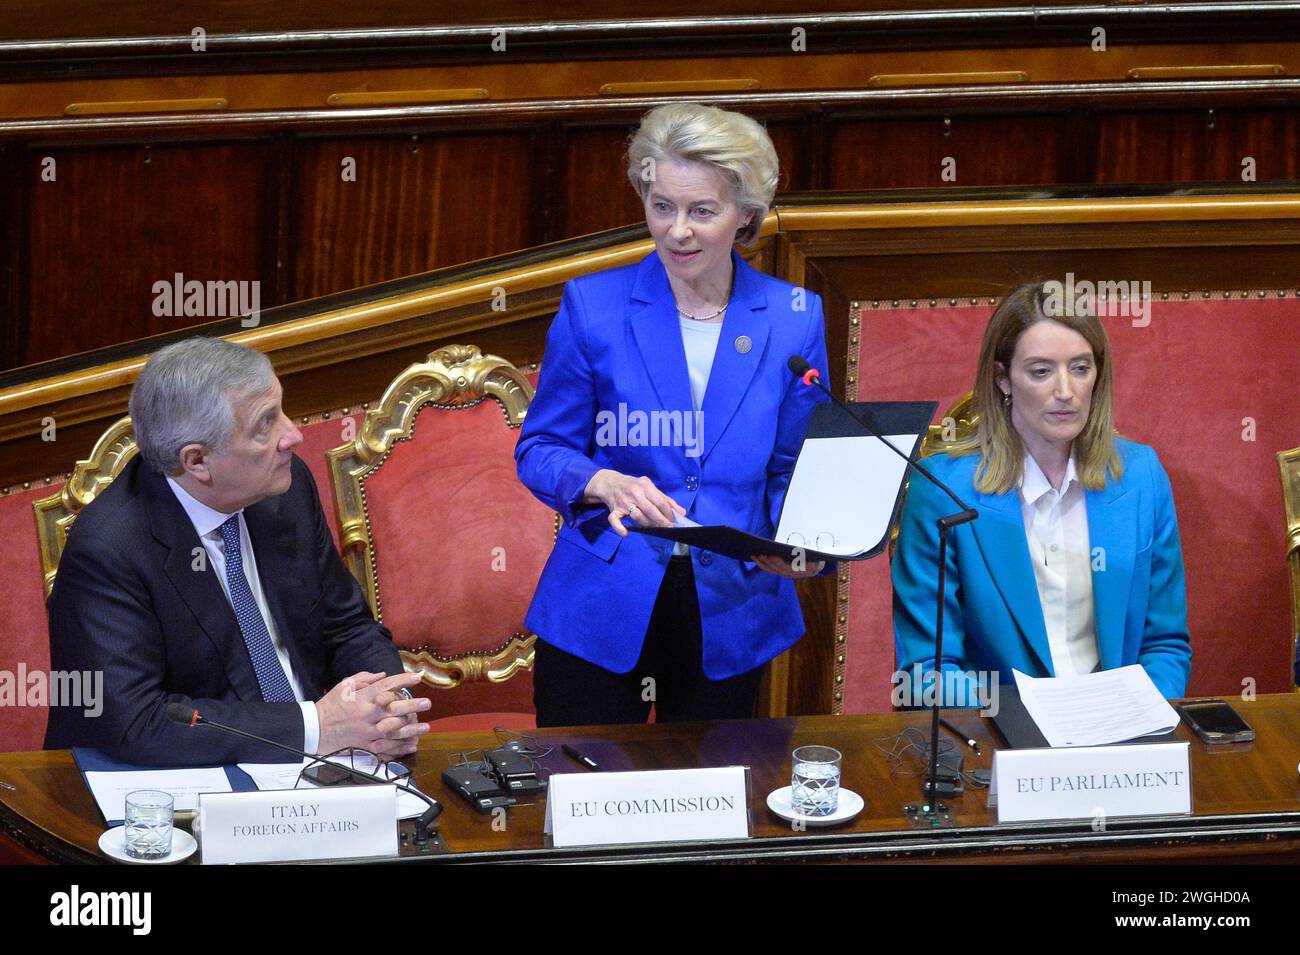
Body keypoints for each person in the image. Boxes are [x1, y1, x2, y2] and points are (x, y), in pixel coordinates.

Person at [516, 102, 831, 727]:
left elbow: (798, 464)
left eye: (702, 211)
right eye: (662, 206)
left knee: (713, 805)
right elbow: (541, 447)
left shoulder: (796, 315)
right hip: (606, 598)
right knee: (587, 804)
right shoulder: (594, 306)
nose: (676, 231)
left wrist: (800, 542)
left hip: (730, 606)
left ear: (745, 214)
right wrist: (599, 482)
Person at [44, 337, 430, 765]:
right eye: (266, 423)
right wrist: (317, 727)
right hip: (191, 784)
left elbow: (346, 626)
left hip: (326, 766)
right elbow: (136, 722)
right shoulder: (110, 548)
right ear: (197, 462)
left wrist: (388, 702)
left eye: (282, 409)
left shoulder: (284, 488)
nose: (293, 436)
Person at [891, 282, 1192, 704]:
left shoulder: (1141, 477)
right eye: (1041, 371)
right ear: (1003, 379)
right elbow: (927, 674)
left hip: (1118, 734)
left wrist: (1131, 720)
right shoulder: (942, 489)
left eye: (1080, 368)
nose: (1065, 391)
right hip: (998, 741)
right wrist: (1030, 720)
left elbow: (1165, 647)